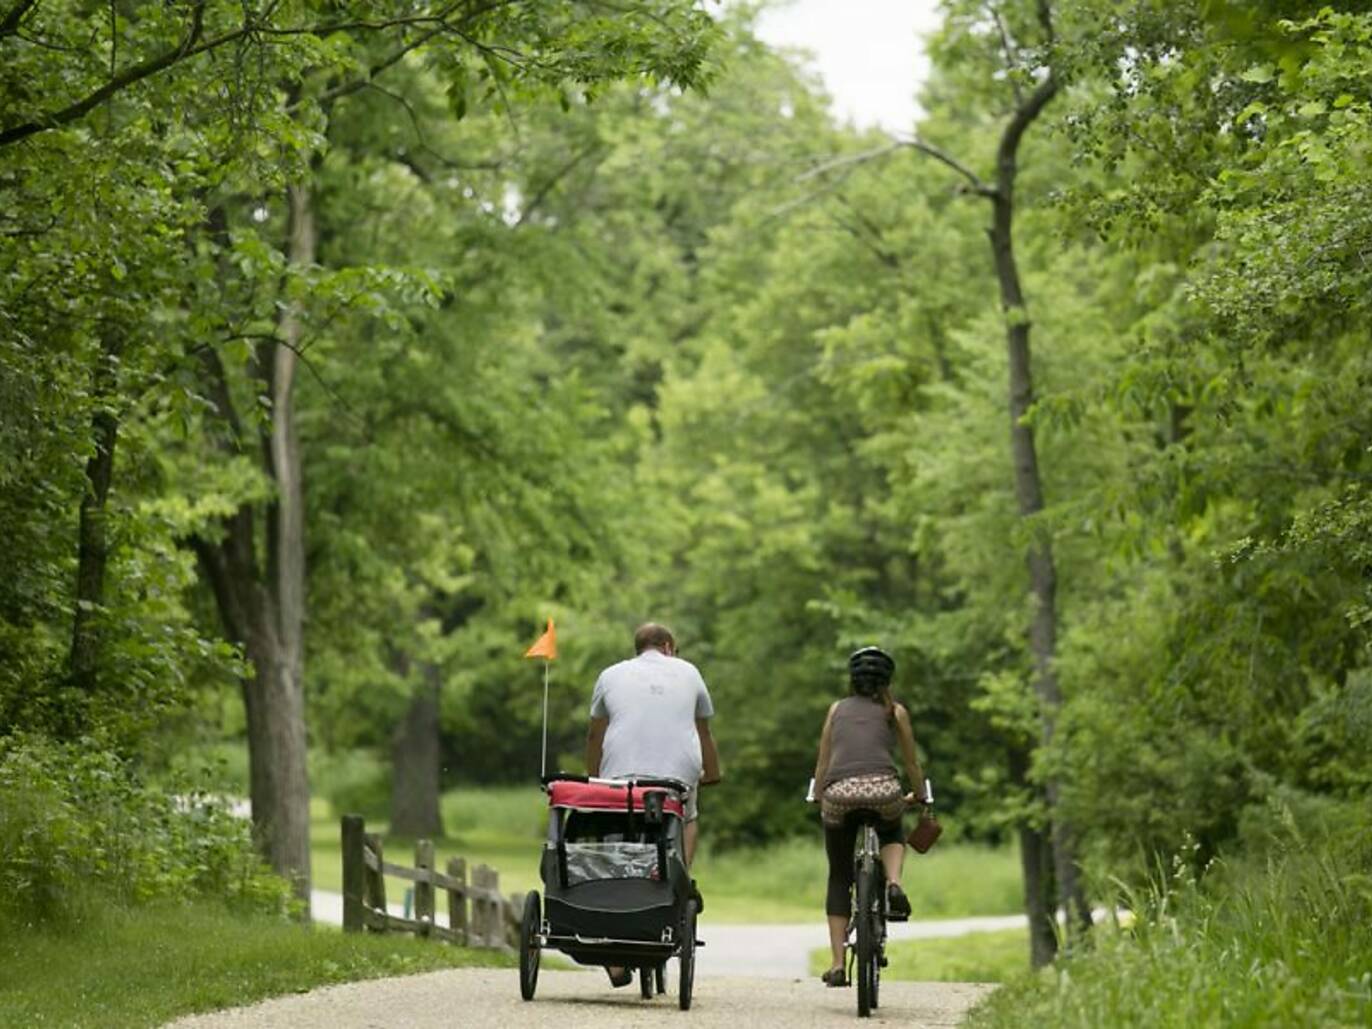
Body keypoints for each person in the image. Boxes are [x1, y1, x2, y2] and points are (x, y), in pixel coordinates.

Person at [585, 621, 721, 989]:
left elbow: (595, 733)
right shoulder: (689, 671)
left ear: (637, 648)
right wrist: (713, 773)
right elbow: (703, 730)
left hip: (620, 781)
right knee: (688, 813)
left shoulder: (610, 674)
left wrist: (593, 779)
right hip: (674, 780)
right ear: (668, 646)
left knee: (616, 826)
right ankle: (683, 876)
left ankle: (613, 949)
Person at [810, 645, 925, 988]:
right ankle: (893, 883)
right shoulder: (895, 712)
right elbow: (911, 763)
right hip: (883, 792)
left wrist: (818, 793)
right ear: (887, 679)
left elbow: (824, 761)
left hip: (840, 796)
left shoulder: (836, 709)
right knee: (892, 830)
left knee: (839, 875)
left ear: (852, 679)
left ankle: (836, 964)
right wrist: (918, 794)